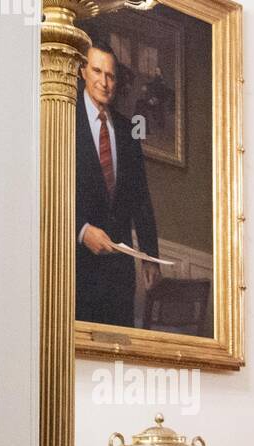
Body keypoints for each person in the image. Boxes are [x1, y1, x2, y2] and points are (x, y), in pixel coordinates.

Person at [76, 42, 161, 328]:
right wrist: (82, 230)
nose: (104, 81)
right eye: (97, 71)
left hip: (119, 278)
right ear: (83, 71)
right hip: (76, 269)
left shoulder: (127, 131)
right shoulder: (63, 116)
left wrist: (150, 257)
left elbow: (141, 200)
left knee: (116, 365)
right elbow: (46, 188)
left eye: (110, 75)